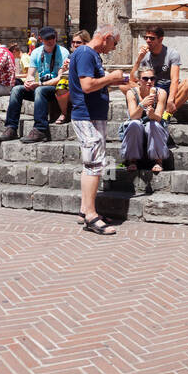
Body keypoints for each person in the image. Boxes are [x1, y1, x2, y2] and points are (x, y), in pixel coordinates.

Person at [70, 25, 128, 235]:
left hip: (93, 115)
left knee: (93, 163)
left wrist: (117, 81)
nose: (114, 47)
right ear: (106, 38)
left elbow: (95, 85)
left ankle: (85, 210)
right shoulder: (85, 53)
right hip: (86, 116)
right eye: (115, 43)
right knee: (94, 164)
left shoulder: (91, 55)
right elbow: (87, 86)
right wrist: (111, 78)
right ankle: (91, 216)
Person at [0, 28, 70, 143]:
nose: (51, 41)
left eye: (53, 38)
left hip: (55, 88)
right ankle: (11, 127)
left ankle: (40, 130)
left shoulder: (63, 52)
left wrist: (40, 84)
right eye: (47, 39)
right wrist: (29, 81)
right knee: (17, 89)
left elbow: (60, 78)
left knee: (40, 91)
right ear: (41, 39)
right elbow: (30, 74)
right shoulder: (36, 52)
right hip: (41, 86)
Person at [131, 26, 188, 120]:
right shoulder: (144, 55)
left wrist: (171, 99)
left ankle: (166, 114)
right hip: (151, 88)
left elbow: (175, 79)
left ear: (160, 39)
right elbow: (133, 79)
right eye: (146, 38)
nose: (148, 41)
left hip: (167, 87)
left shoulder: (172, 54)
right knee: (124, 84)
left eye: (152, 38)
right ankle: (143, 109)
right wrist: (139, 59)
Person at [121, 66, 170, 174]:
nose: (149, 81)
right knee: (134, 124)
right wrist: (142, 105)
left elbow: (158, 117)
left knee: (153, 124)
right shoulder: (131, 93)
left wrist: (152, 114)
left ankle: (158, 160)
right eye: (145, 78)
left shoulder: (161, 93)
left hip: (153, 125)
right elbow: (133, 116)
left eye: (152, 78)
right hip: (137, 124)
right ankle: (132, 160)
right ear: (138, 80)